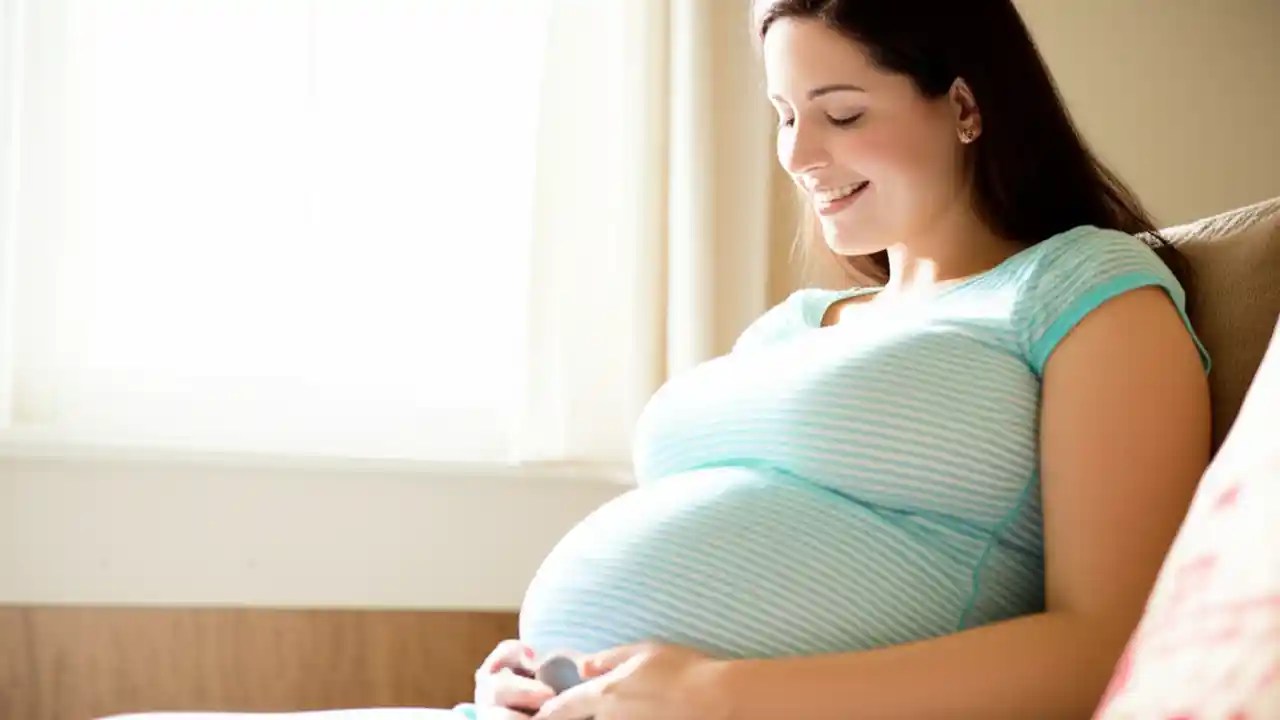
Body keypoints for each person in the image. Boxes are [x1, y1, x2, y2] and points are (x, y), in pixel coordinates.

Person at [460, 1, 1212, 718]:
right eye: (785, 115)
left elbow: (1116, 647)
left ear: (963, 106)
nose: (796, 155)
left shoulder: (1079, 288)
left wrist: (716, 696)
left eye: (842, 114)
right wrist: (542, 673)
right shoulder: (793, 328)